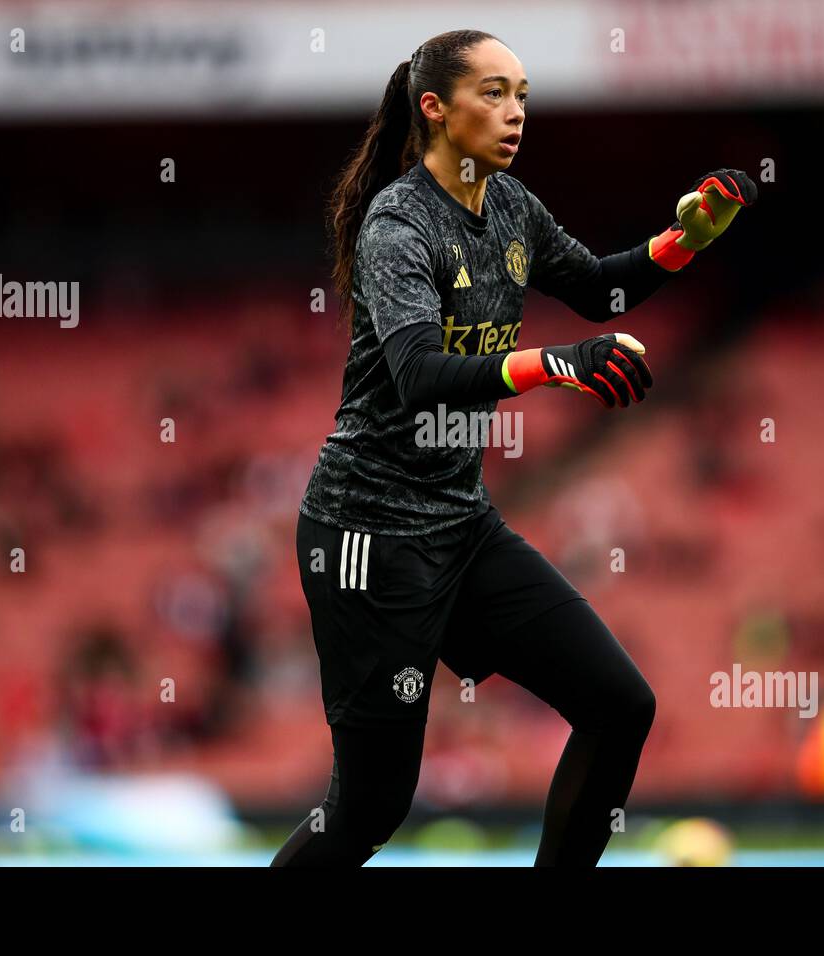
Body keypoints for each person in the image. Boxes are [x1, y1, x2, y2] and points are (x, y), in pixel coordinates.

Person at [272, 29, 755, 867]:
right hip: (367, 538)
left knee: (617, 705)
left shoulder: (511, 205)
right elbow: (420, 372)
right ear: (435, 108)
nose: (516, 112)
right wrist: (557, 366)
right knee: (372, 805)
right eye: (493, 92)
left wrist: (688, 239)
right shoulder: (398, 222)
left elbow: (600, 289)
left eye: (522, 93)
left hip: (459, 527)